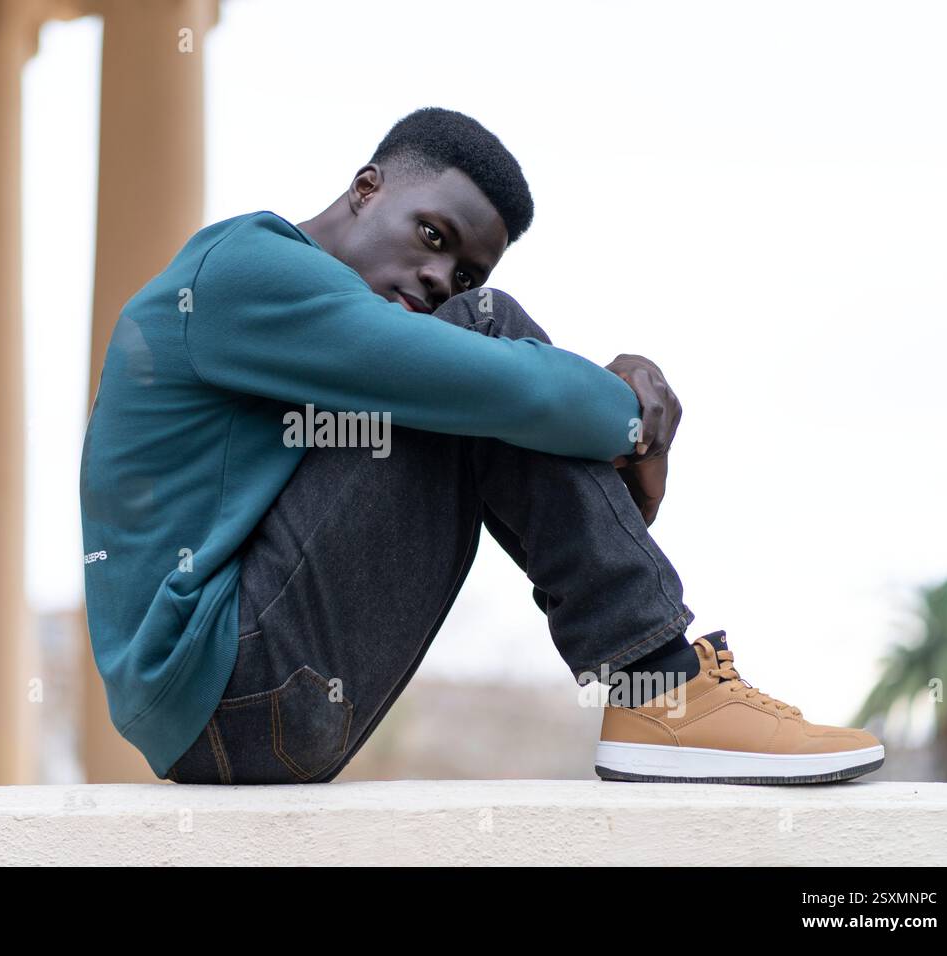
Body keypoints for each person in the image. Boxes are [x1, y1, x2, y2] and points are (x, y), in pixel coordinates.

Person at [79, 106, 884, 786]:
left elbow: (502, 393)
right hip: (235, 689)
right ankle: (658, 688)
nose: (439, 278)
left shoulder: (309, 326)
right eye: (432, 234)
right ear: (368, 188)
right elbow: (516, 386)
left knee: (473, 372)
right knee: (486, 340)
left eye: (463, 272)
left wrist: (583, 427)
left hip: (244, 709)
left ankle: (655, 691)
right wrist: (628, 408)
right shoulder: (244, 270)